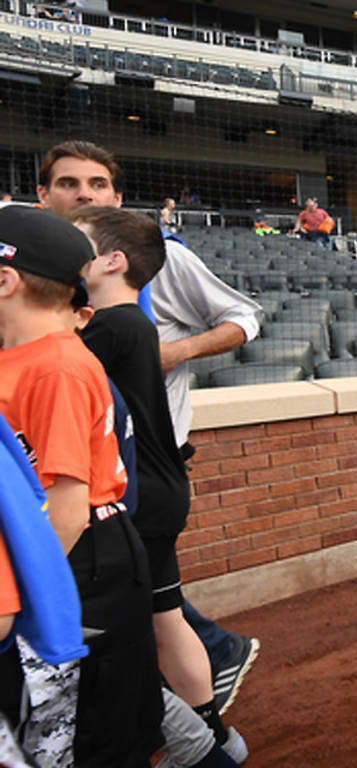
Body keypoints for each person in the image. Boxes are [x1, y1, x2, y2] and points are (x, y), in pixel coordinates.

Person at [33, 139, 262, 715]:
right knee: (153, 604)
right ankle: (202, 715)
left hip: (130, 480)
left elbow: (244, 318)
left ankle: (173, 724)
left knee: (117, 615)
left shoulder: (125, 304)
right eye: (68, 184)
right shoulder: (51, 282)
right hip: (110, 478)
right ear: (43, 196)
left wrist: (174, 351)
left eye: (98, 186)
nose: (84, 194)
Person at [70, 205, 247, 760]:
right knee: (166, 618)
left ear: (112, 261)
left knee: (129, 638)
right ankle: (214, 735)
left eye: (80, 245)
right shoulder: (134, 323)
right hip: (162, 484)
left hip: (138, 494)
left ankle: (197, 746)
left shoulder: (109, 326)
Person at [0, 206, 165, 767]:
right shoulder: (27, 358)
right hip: (64, 551)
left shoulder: (57, 366)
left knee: (95, 735)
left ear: (5, 280)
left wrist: (19, 603)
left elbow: (67, 507)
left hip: (81, 554)